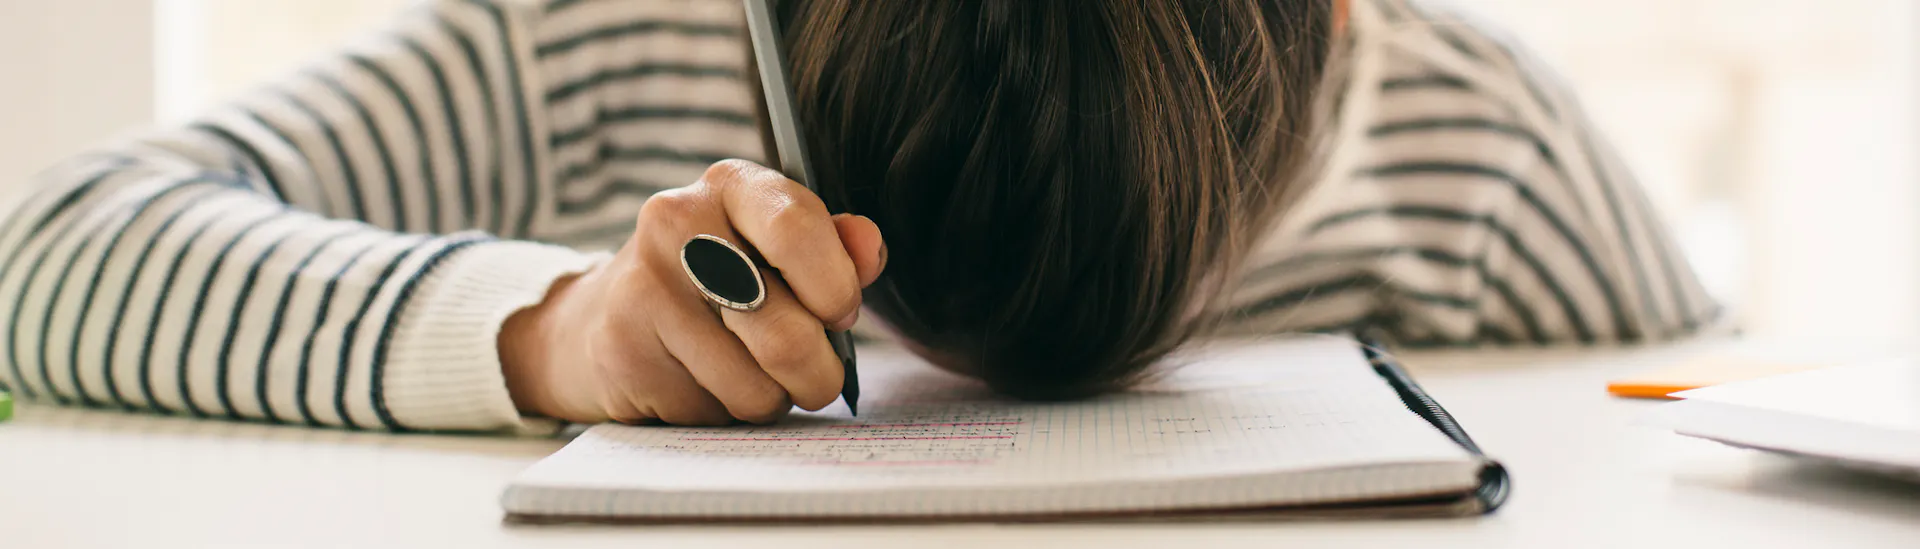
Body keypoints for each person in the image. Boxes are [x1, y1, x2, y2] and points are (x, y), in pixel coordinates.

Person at [0, 0, 1715, 432]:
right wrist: (551, 331)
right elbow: (55, 248)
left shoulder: (1474, 148)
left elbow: (1682, 441)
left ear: (1339, 23)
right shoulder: (599, 48)